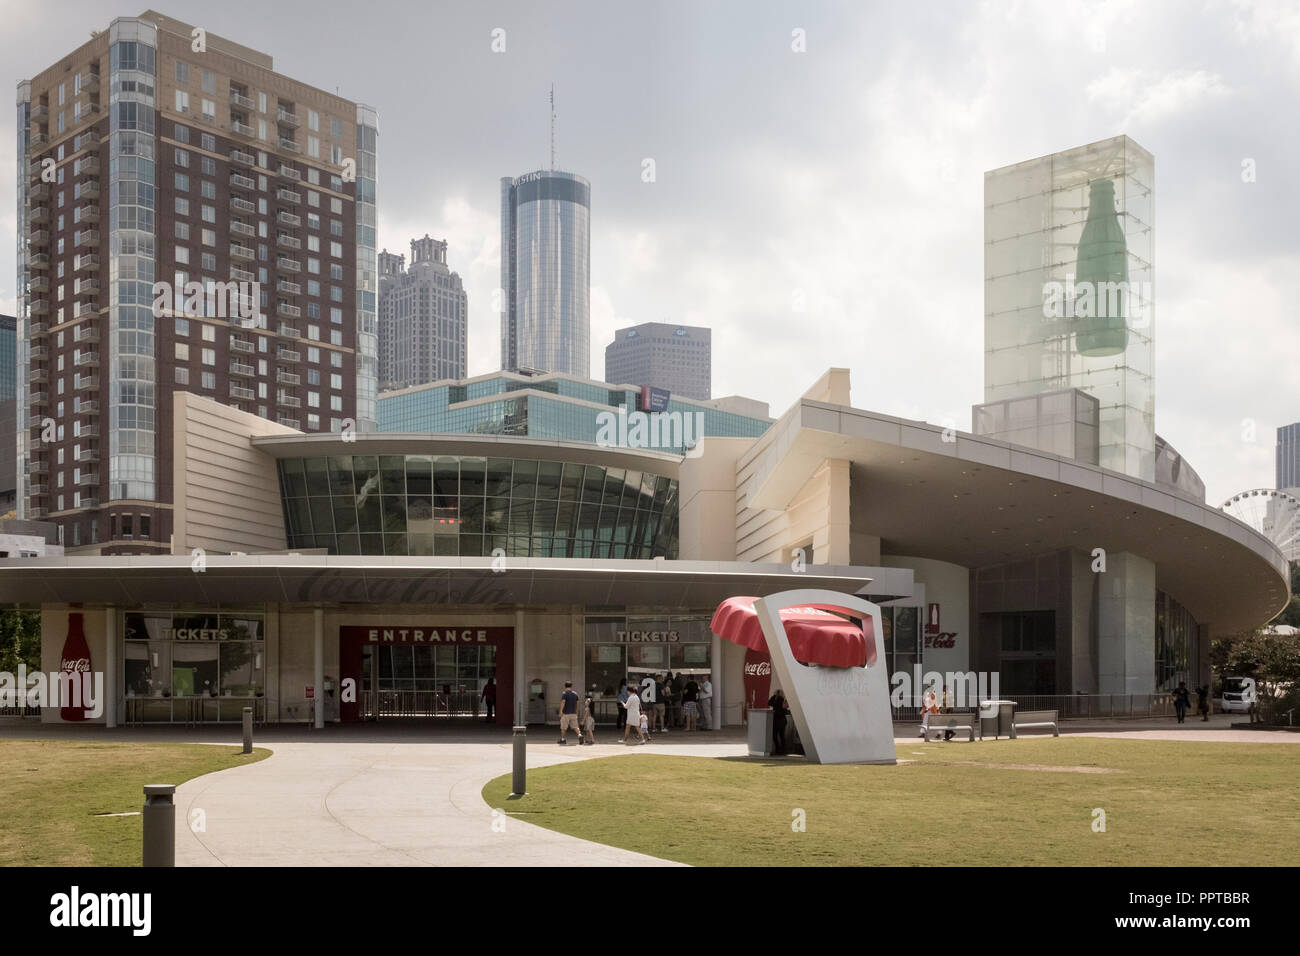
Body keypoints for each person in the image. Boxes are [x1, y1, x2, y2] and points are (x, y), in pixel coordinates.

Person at [558, 680, 583, 745]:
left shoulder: (564, 693)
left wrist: (560, 711)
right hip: (573, 713)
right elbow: (578, 703)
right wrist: (576, 712)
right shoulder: (575, 694)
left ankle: (563, 739)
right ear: (571, 686)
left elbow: (563, 702)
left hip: (566, 713)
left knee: (563, 727)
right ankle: (580, 735)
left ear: (565, 686)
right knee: (575, 726)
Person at [769, 688, 790, 755]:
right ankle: (783, 750)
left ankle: (778, 749)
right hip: (782, 720)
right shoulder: (783, 699)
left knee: (775, 735)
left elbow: (769, 703)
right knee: (781, 736)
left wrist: (774, 696)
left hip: (778, 720)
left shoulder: (778, 699)